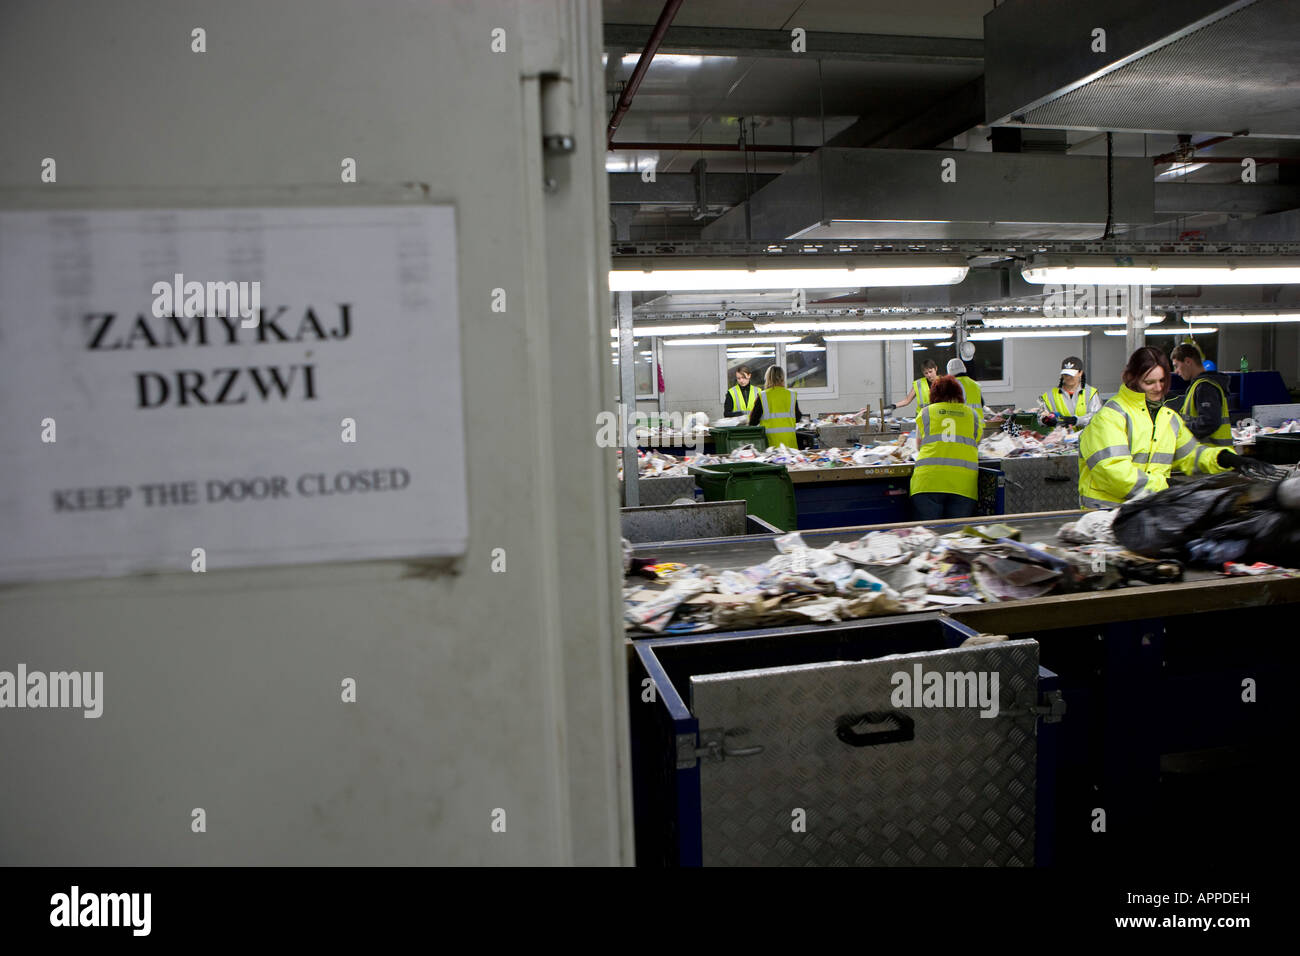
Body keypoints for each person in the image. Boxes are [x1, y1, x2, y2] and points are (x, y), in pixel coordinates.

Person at [1077, 346, 1281, 510]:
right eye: (1149, 382)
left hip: (1145, 510)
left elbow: (1192, 454)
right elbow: (1114, 473)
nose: (1158, 388)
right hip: (1106, 513)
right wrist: (1167, 487)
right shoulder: (1110, 417)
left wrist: (1227, 459)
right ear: (1132, 379)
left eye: (1162, 381)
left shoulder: (1168, 418)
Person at [909, 375, 981, 520]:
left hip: (928, 481)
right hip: (963, 483)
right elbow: (977, 442)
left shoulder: (926, 413)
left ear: (934, 394)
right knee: (956, 537)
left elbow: (918, 445)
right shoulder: (972, 415)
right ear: (959, 393)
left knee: (929, 536)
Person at [1170, 343, 1232, 447]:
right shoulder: (1198, 386)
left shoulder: (1205, 387)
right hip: (1208, 456)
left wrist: (1181, 431)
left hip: (1213, 456)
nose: (1176, 371)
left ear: (1188, 361)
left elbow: (1209, 422)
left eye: (1176, 366)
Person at [1038, 355, 1101, 429]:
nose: (1068, 378)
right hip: (1059, 439)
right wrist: (1046, 421)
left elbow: (1097, 416)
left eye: (1071, 375)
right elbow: (1040, 419)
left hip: (1085, 439)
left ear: (1080, 373)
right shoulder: (1049, 395)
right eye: (1065, 374)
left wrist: (1077, 420)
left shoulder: (1090, 393)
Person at [749, 365, 803, 449]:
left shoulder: (763, 396)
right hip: (789, 444)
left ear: (768, 378)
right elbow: (798, 417)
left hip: (770, 444)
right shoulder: (791, 395)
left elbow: (753, 421)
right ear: (782, 378)